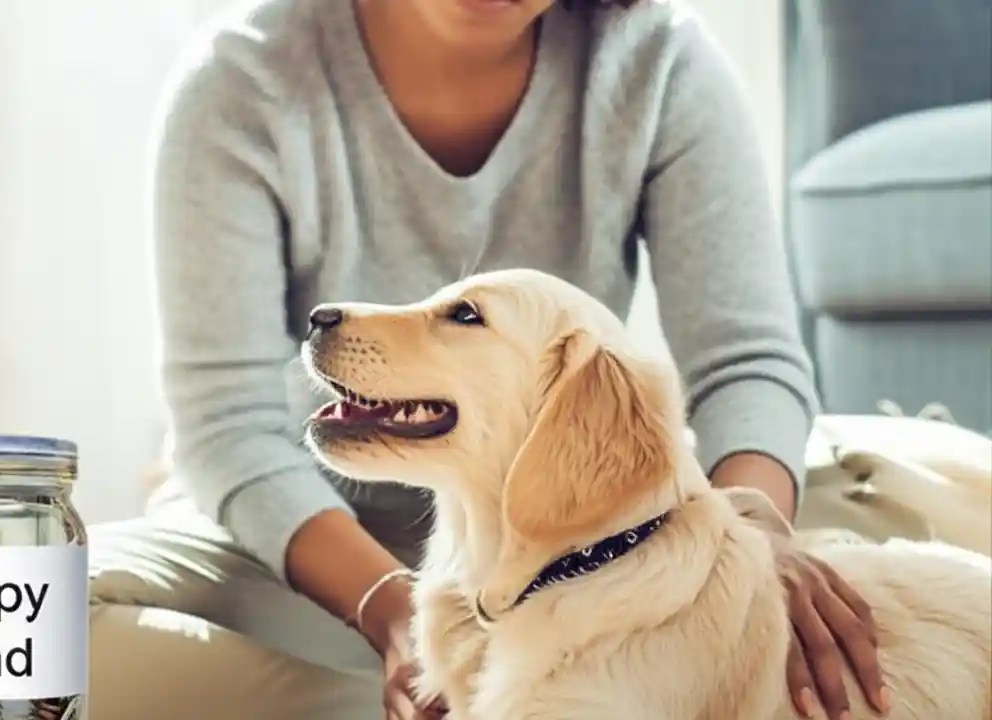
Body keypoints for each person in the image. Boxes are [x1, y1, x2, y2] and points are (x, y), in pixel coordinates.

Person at [88, 0, 888, 718]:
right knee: (29, 621)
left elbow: (746, 361)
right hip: (311, 551)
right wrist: (389, 609)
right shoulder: (241, 82)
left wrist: (750, 538)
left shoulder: (658, 62)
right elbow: (227, 427)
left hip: (583, 544)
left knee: (889, 542)